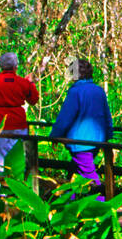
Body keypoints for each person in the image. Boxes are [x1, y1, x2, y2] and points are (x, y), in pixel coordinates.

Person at [48, 56, 114, 197]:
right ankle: (71, 200)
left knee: (89, 175)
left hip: (80, 142)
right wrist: (108, 134)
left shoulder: (75, 92)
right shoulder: (98, 90)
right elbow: (106, 114)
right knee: (77, 171)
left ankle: (101, 204)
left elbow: (65, 117)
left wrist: (54, 135)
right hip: (96, 140)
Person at [0, 52, 39, 175]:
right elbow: (33, 100)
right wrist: (31, 83)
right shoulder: (22, 83)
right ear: (15, 66)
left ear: (1, 66)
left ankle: (1, 191)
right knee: (17, 158)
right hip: (18, 124)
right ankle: (15, 188)